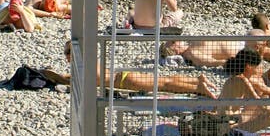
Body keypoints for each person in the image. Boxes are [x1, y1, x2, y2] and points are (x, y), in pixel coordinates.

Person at [60, 40, 216, 96]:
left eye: (67, 54)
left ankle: (197, 88)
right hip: (124, 76)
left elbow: (79, 82)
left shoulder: (83, 68)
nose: (66, 58)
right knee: (164, 80)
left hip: (125, 82)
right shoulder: (90, 61)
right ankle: (196, 80)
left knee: (164, 84)